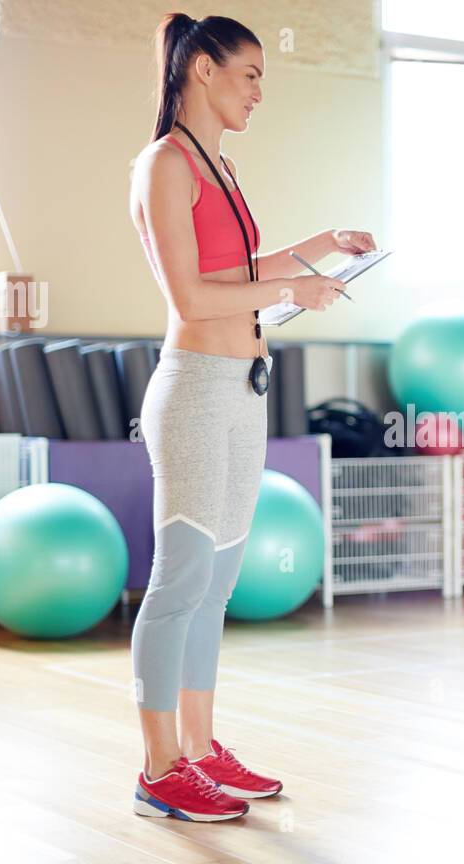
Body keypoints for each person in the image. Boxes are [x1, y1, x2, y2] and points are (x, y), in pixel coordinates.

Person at [127, 13, 375, 822]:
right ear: (202, 68)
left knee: (216, 588)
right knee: (178, 584)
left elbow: (238, 268)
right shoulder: (165, 165)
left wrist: (320, 247)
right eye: (250, 74)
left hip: (243, 388)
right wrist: (291, 291)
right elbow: (191, 296)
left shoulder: (220, 169)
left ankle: (199, 748)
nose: (260, 92)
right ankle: (158, 765)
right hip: (196, 387)